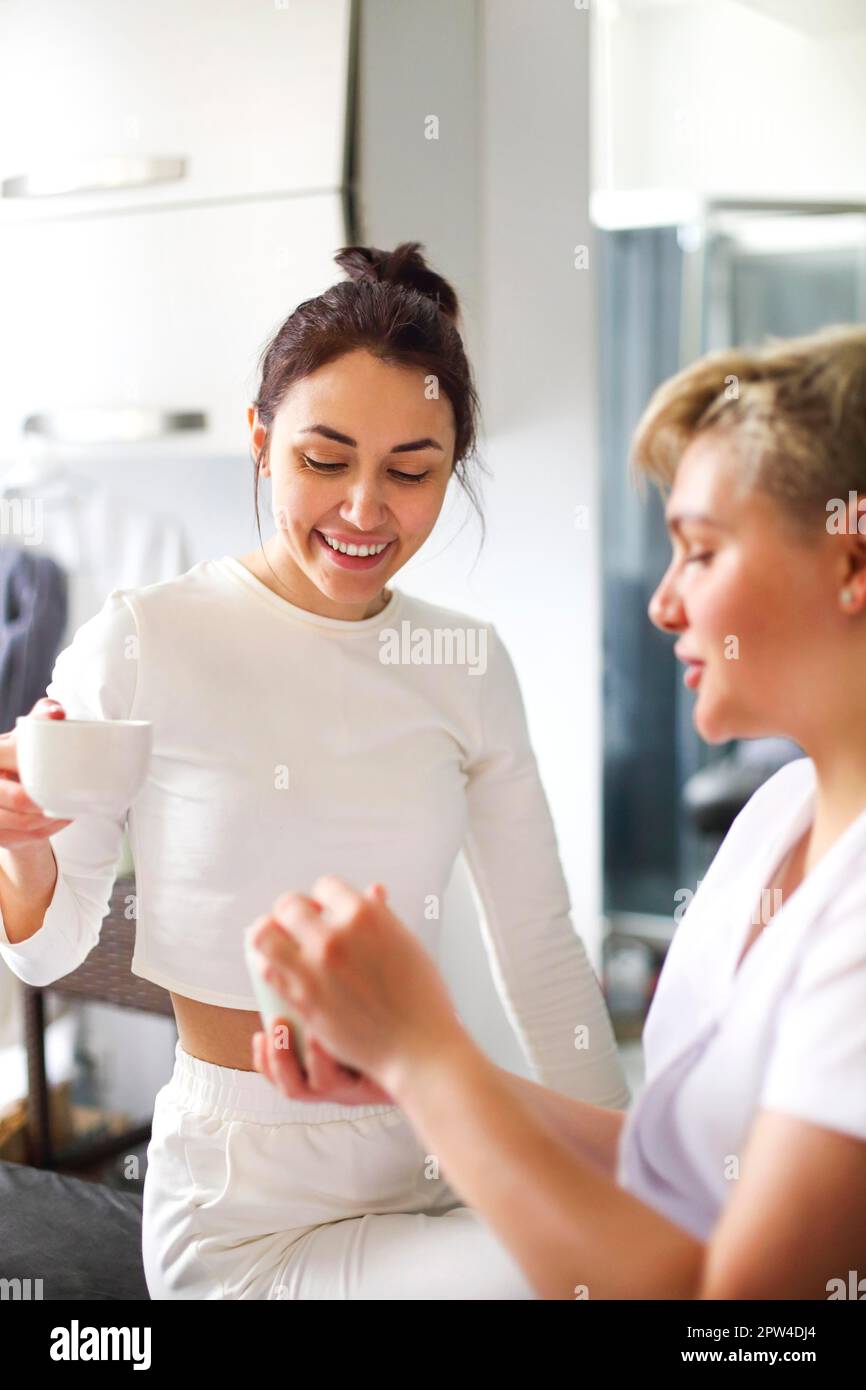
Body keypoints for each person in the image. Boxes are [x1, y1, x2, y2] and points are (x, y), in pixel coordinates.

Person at [0, 242, 628, 1300]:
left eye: (411, 470)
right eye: (324, 460)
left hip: (440, 1150)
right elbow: (52, 943)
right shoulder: (145, 640)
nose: (364, 511)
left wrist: (628, 1168)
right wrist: (20, 857)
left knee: (653, 1271)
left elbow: (539, 950)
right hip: (249, 1210)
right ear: (259, 441)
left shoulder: (465, 665)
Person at [248, 324, 866, 1299]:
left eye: (698, 551)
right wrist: (409, 1073)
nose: (661, 603)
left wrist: (429, 1053)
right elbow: (681, 1166)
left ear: (849, 560)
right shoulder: (778, 815)